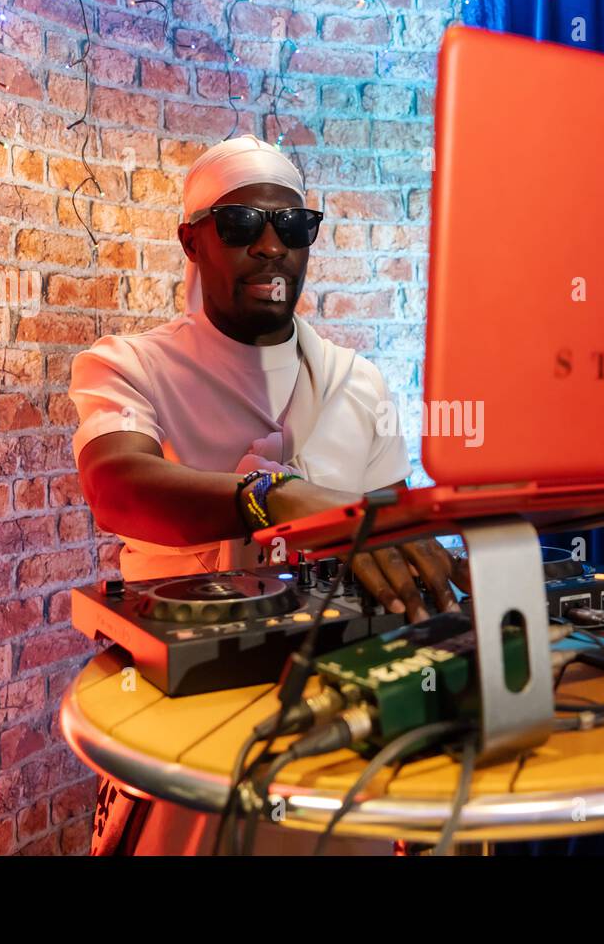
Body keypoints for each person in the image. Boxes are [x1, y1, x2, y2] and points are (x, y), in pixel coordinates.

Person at [69, 134, 469, 854]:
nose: (269, 246)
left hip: (343, 734)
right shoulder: (129, 365)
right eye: (241, 225)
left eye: (292, 227)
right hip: (186, 722)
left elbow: (392, 527)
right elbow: (115, 486)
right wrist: (271, 496)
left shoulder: (358, 382)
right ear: (192, 243)